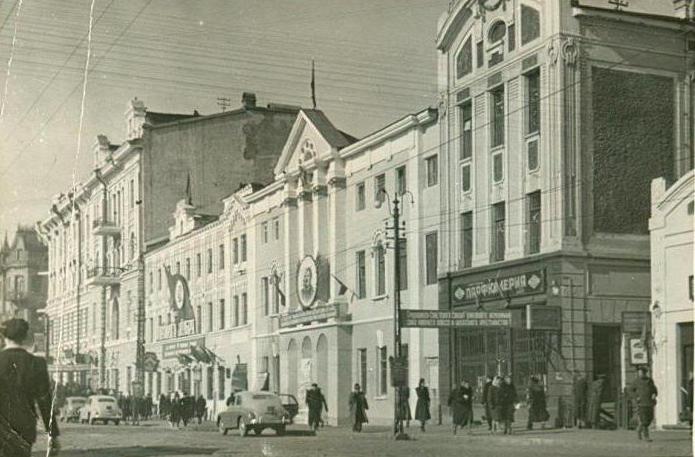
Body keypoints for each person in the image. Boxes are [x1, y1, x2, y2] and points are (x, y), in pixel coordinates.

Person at [0, 318, 60, 457]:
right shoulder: (37, 363)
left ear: (4, 337)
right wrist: (53, 436)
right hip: (25, 427)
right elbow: (45, 401)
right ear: (25, 336)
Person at [630, 366, 657, 442]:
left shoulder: (650, 380)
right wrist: (636, 397)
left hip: (649, 403)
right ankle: (646, 436)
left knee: (650, 419)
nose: (640, 374)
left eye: (641, 372)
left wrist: (654, 394)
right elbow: (630, 390)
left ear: (645, 373)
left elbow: (654, 389)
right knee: (644, 420)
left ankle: (639, 428)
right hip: (641, 403)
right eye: (639, 373)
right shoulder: (636, 381)